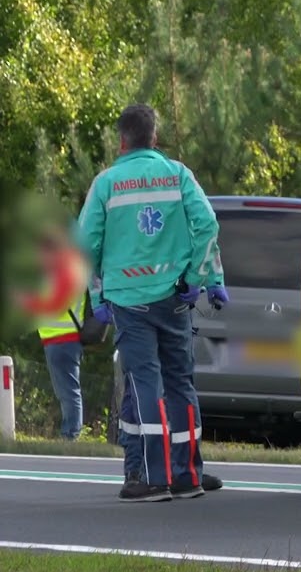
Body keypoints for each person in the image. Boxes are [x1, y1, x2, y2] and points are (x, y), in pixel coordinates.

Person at [77, 104, 227, 502]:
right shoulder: (177, 175)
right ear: (154, 138)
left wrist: (97, 296)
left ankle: (153, 478)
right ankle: (188, 475)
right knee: (181, 383)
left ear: (121, 140)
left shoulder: (107, 183)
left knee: (145, 385)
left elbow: (84, 245)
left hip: (129, 303)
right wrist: (202, 279)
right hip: (175, 298)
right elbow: (207, 225)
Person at [33, 229, 86, 440]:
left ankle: (71, 435)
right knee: (66, 391)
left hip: (63, 338)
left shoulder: (63, 272)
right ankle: (70, 433)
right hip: (59, 338)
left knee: (68, 392)